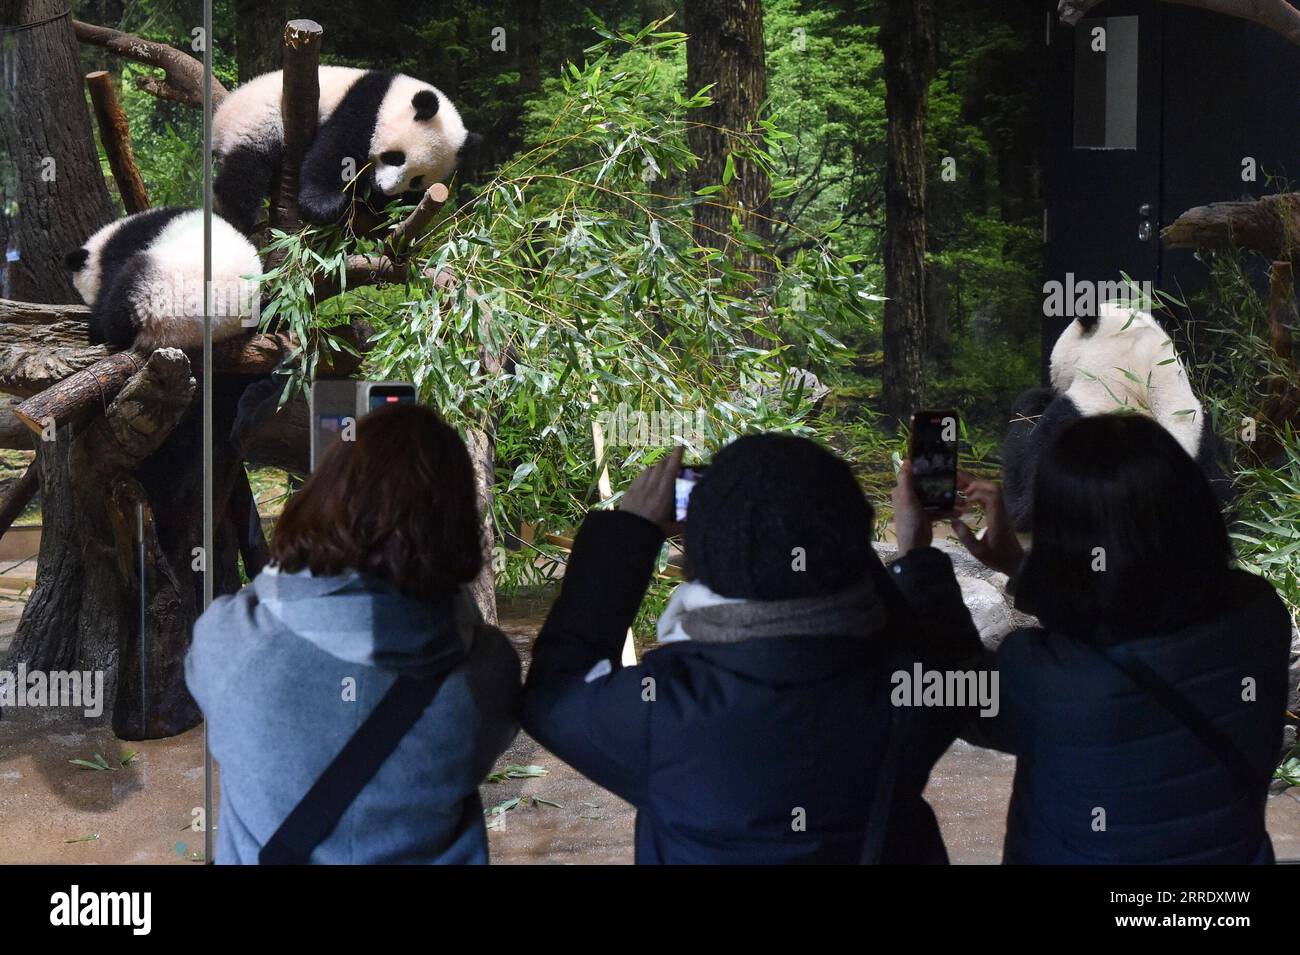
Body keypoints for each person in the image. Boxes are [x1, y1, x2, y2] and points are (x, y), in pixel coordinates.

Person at [521, 433, 978, 863]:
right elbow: (956, 660)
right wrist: (913, 551)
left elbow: (552, 694)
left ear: (699, 553)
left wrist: (629, 534)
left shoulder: (658, 714)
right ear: (853, 539)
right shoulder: (917, 691)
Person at [891, 413, 1292, 864]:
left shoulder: (1038, 675)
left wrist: (917, 555)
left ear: (1060, 537)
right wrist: (1018, 567)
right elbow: (1132, 611)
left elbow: (950, 692)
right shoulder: (1260, 617)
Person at [186, 404, 519, 864]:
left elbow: (265, 597)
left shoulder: (231, 641)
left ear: (322, 496)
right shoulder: (486, 671)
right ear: (457, 528)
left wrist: (302, 550)